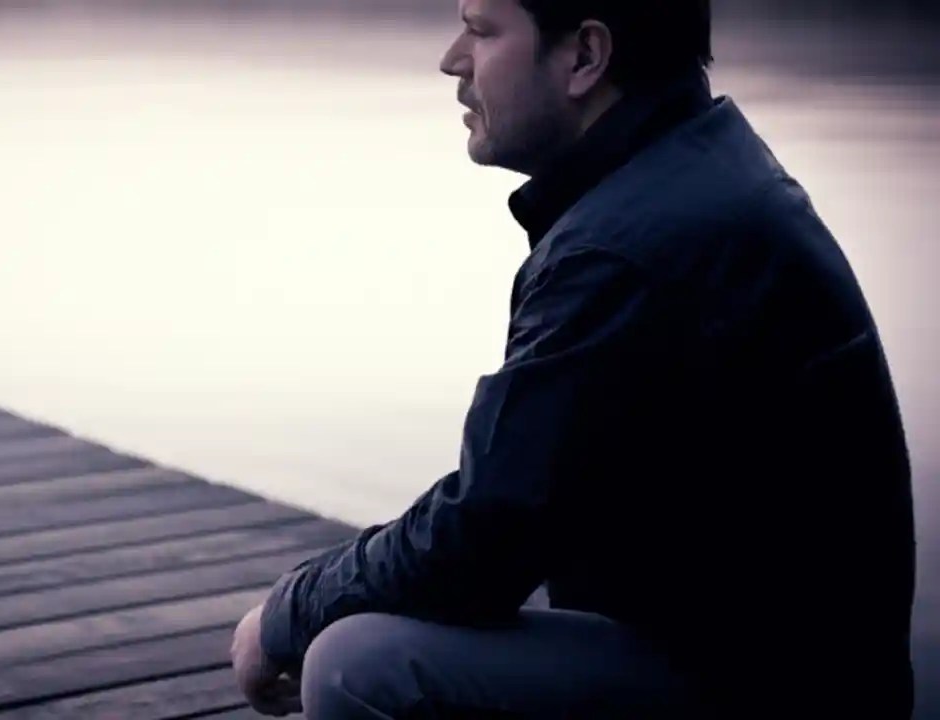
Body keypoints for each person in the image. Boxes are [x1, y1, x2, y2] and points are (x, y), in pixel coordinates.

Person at [229, 0, 917, 717]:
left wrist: (286, 615)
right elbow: (515, 499)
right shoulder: (694, 171)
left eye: (482, 29)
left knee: (358, 666)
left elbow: (480, 536)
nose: (453, 59)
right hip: (756, 661)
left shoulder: (625, 248)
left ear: (586, 56)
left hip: (762, 690)